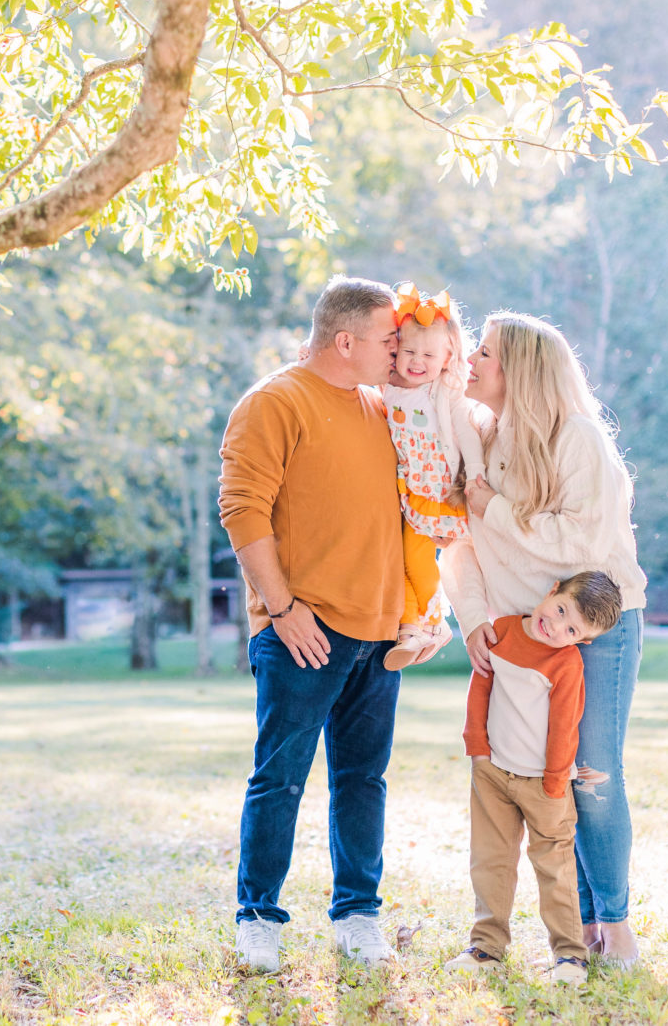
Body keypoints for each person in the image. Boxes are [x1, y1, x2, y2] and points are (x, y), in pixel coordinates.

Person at [218, 275, 442, 973]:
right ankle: (257, 917)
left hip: (380, 633)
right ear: (345, 341)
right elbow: (242, 510)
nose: (397, 350)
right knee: (280, 777)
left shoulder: (383, 409)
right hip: (302, 632)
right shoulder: (274, 402)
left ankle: (357, 914)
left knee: (362, 779)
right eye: (386, 339)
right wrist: (281, 608)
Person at [440, 310, 649, 968]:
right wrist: (474, 618)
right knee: (542, 777)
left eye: (486, 352)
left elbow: (582, 545)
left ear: (522, 371)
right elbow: (460, 541)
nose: (472, 360)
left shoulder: (579, 438)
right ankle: (579, 928)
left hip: (595, 627)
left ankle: (613, 926)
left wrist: (494, 508)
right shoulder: (481, 439)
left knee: (592, 774)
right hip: (526, 634)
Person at [444, 570, 625, 987]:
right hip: (492, 773)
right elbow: (481, 685)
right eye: (560, 609)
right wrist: (478, 750)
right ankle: (486, 947)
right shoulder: (504, 631)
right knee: (490, 860)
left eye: (571, 627)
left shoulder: (567, 663)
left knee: (555, 868)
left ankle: (569, 955)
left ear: (583, 640)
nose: (556, 625)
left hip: (544, 785)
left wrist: (555, 782)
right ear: (551, 591)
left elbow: (566, 725)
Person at [379, 283, 485, 670]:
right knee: (404, 561)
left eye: (428, 354)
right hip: (407, 493)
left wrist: (474, 474)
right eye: (408, 351)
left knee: (426, 563)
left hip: (441, 493)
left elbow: (467, 432)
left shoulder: (445, 390)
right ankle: (417, 627)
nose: (417, 361)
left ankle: (433, 621)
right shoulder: (385, 385)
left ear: (447, 356)